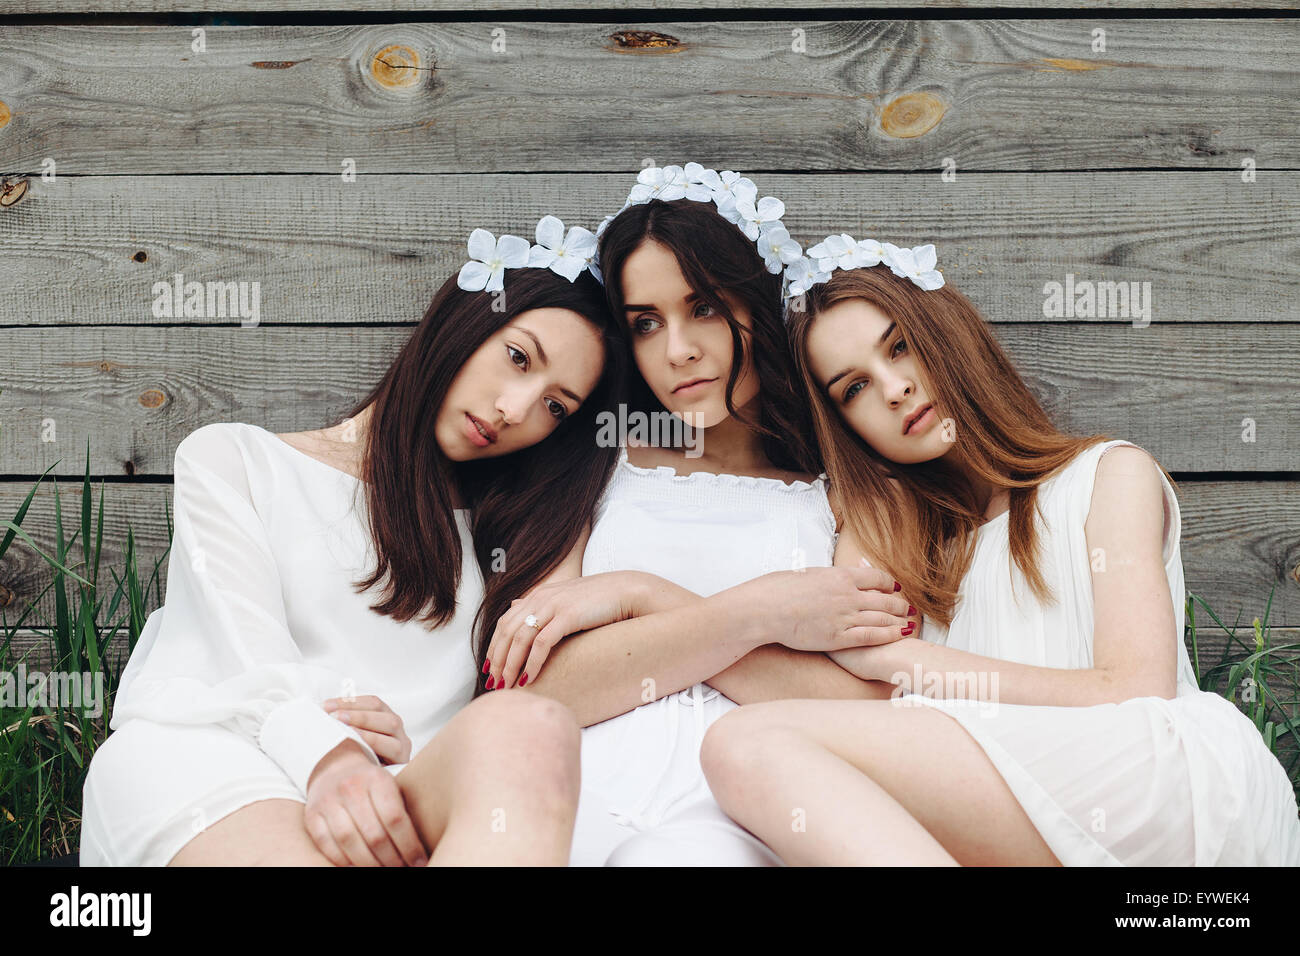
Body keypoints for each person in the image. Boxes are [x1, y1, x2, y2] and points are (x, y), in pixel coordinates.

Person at [697, 235, 1300, 865]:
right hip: (1019, 804)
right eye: (854, 390)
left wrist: (901, 661)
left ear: (947, 334)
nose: (894, 389)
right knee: (750, 758)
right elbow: (859, 693)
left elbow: (1133, 691)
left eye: (900, 347)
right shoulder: (911, 549)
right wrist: (872, 502)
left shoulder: (1107, 475)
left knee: (746, 745)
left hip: (1159, 780)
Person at [79, 216, 627, 866]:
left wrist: (630, 584)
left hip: (403, 795)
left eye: (557, 407)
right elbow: (249, 661)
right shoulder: (237, 461)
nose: (516, 409)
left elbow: (544, 689)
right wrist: (330, 756)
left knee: (531, 729)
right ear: (464, 321)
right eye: (517, 357)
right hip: (220, 763)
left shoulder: (511, 539)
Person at [480, 165, 914, 865]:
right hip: (570, 793)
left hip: (745, 811)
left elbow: (860, 707)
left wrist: (635, 598)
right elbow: (537, 685)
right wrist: (762, 615)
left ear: (755, 303)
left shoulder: (850, 492)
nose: (677, 350)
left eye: (704, 307)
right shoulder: (594, 461)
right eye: (645, 324)